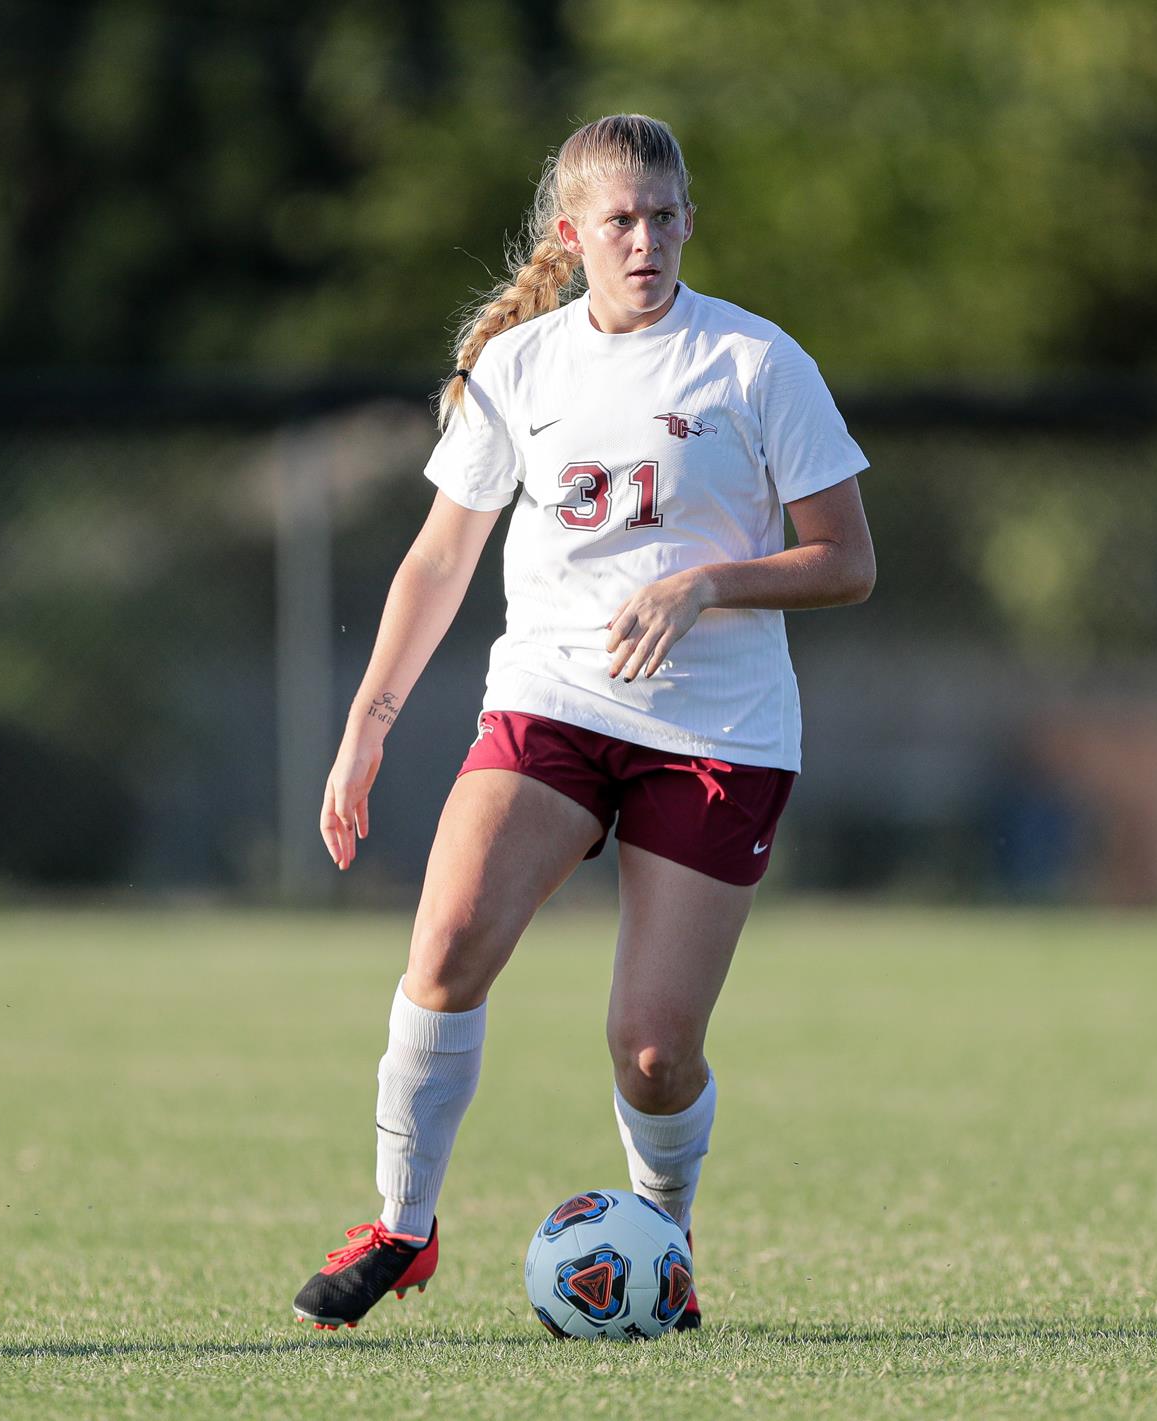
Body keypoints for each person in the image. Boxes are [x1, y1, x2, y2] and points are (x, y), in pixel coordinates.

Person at [290, 114, 875, 1332]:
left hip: (717, 730)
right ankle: (401, 1224)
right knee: (445, 943)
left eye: (664, 217)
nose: (645, 240)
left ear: (689, 221)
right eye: (620, 220)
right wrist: (366, 722)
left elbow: (846, 561)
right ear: (572, 234)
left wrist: (704, 581)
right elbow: (437, 561)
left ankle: (664, 1240)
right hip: (551, 700)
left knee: (652, 1051)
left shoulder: (755, 362)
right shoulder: (520, 367)